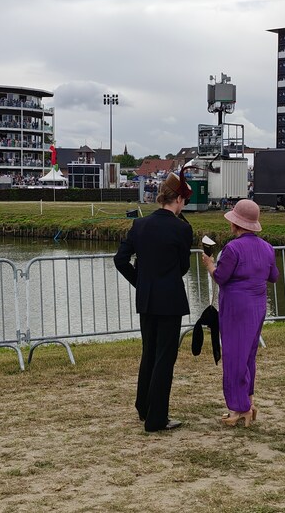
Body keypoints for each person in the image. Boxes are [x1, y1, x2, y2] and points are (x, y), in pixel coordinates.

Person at [114, 172, 194, 432]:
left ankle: (143, 406)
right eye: (184, 200)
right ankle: (157, 418)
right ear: (179, 199)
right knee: (164, 358)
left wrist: (141, 281)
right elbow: (183, 267)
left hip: (146, 298)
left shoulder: (140, 225)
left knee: (149, 352)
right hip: (170, 298)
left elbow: (120, 260)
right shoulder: (182, 228)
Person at [200, 199, 278, 428]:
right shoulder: (267, 247)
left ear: (236, 224)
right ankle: (249, 401)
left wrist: (210, 264)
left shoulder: (233, 248)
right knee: (248, 355)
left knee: (234, 356)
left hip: (236, 306)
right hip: (258, 305)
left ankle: (239, 407)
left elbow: (221, 277)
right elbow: (274, 277)